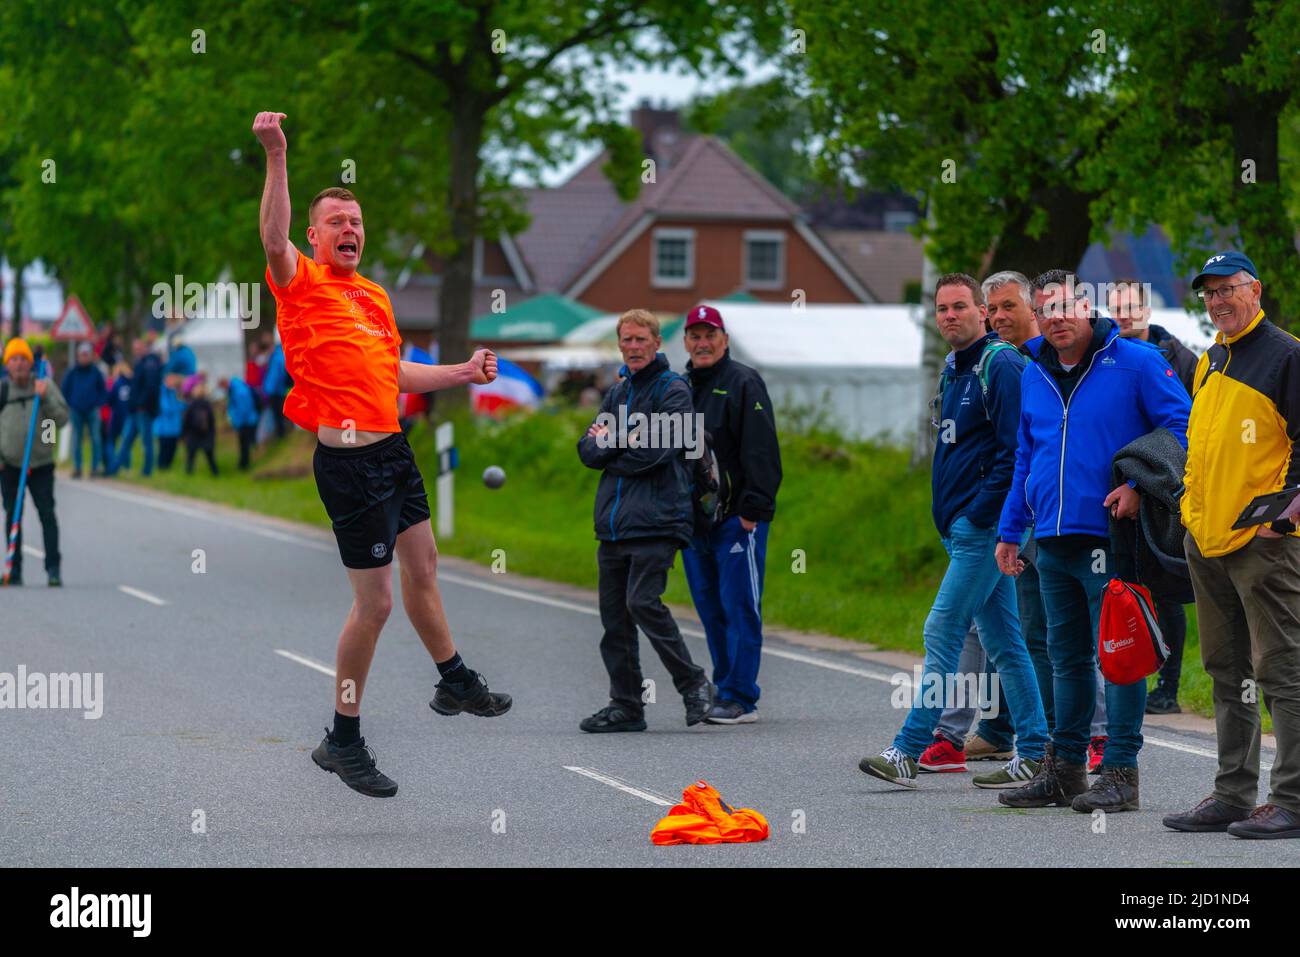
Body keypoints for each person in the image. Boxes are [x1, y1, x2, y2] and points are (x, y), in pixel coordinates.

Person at [254, 109, 511, 799]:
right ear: (315, 237)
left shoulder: (373, 296)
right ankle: (342, 739)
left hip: (394, 452)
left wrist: (460, 372)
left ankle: (454, 680)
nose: (350, 229)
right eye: (336, 221)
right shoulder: (300, 282)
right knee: (374, 606)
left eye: (357, 221)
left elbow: (392, 373)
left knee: (424, 567)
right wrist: (276, 154)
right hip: (348, 466)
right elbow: (272, 236)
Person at [995, 269, 1190, 813]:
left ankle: (1122, 774)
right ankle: (1065, 771)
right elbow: (1026, 456)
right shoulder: (1033, 371)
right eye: (1046, 310)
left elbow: (1184, 429)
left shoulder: (1137, 361)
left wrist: (1138, 485)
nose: (1056, 318)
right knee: (1066, 658)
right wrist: (1011, 530)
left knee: (1120, 657)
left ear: (1086, 306)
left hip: (1114, 535)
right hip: (1050, 538)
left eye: (1065, 306)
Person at [859, 274, 1048, 790]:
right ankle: (1036, 752)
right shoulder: (953, 368)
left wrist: (980, 515)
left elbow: (1016, 453)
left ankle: (907, 749)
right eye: (942, 309)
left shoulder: (1000, 364)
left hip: (984, 532)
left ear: (981, 312)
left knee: (941, 630)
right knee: (1005, 643)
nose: (950, 316)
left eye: (960, 306)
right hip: (962, 530)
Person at [1163, 252, 1300, 839]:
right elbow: (1202, 446)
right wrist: (1189, 516)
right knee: (1226, 669)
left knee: (1282, 670)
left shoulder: (1287, 355)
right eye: (1209, 293)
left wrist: (1281, 522)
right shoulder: (1211, 359)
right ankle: (1233, 794)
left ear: (1255, 290)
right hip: (1208, 538)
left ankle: (1292, 799)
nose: (1218, 302)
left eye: (1228, 290)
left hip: (1263, 544)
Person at [576, 308, 714, 733]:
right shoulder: (617, 393)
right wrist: (627, 439)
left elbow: (656, 452)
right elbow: (587, 451)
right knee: (614, 618)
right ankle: (626, 706)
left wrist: (613, 444)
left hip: (659, 519)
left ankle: (693, 683)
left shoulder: (674, 389)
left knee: (642, 602)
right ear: (619, 345)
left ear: (656, 342)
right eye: (627, 340)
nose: (634, 347)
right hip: (614, 523)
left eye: (641, 339)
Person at [678, 304, 782, 724]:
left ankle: (741, 696)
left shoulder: (743, 382)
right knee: (710, 607)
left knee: (739, 606)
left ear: (724, 339)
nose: (703, 343)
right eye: (695, 336)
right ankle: (724, 688)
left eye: (710, 335)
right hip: (695, 522)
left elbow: (763, 450)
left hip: (737, 519)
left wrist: (751, 512)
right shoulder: (681, 387)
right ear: (686, 341)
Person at [1108, 278, 1197, 715]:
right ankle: (1127, 678)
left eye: (1131, 306)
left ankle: (1168, 687)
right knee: (1126, 586)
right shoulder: (1104, 357)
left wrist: (1156, 481)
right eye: (1116, 307)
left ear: (1146, 309)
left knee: (1166, 586)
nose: (1124, 314)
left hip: (1167, 487)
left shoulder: (1180, 359)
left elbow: (1191, 425)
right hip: (1117, 488)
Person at [0, 338, 69, 586]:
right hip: (10, 465)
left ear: (31, 363)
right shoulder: (3, 390)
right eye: (14, 359)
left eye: (23, 359)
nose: (19, 364)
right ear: (7, 364)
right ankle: (14, 569)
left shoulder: (44, 385)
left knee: (47, 515)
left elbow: (61, 420)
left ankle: (53, 569)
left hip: (40, 464)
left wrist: (45, 398)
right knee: (13, 516)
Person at [111, 338, 162, 476]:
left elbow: (150, 387)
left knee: (146, 442)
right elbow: (137, 384)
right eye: (135, 349)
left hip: (143, 410)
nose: (136, 351)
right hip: (135, 409)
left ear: (144, 347)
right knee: (126, 440)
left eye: (138, 348)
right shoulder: (141, 363)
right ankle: (115, 468)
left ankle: (147, 471)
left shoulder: (150, 364)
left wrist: (141, 404)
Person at [60, 342, 108, 478]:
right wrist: (70, 404)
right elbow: (65, 389)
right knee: (76, 439)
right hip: (76, 410)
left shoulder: (96, 372)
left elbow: (103, 390)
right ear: (78, 356)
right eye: (82, 355)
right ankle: (77, 467)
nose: (85, 357)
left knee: (96, 438)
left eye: (87, 355)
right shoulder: (72, 372)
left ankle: (95, 467)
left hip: (92, 409)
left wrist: (98, 403)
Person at [222, 375, 260, 470]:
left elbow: (244, 409)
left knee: (245, 444)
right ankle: (243, 464)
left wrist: (238, 422)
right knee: (244, 443)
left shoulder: (239, 391)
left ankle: (244, 465)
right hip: (246, 420)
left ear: (225, 384)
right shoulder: (235, 389)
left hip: (246, 421)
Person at [181, 382, 218, 476]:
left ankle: (188, 474)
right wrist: (212, 434)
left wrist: (183, 434)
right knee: (210, 457)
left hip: (193, 434)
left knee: (191, 456)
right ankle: (215, 473)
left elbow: (186, 421)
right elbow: (212, 422)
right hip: (206, 434)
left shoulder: (191, 405)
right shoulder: (208, 405)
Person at [155, 373, 185, 471]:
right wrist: (178, 407)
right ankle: (161, 467)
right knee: (164, 448)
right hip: (164, 427)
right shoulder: (161, 392)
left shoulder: (173, 392)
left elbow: (180, 405)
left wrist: (182, 406)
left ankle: (167, 468)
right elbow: (166, 409)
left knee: (172, 449)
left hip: (174, 427)